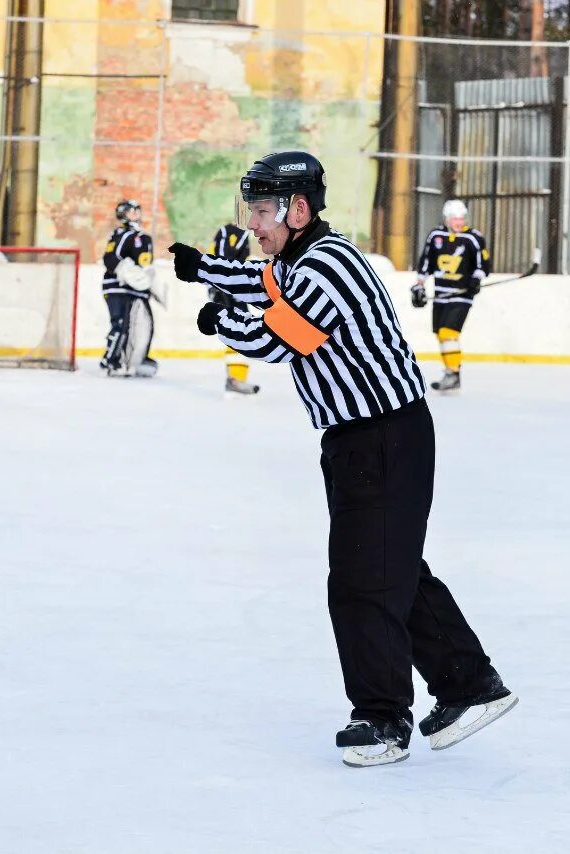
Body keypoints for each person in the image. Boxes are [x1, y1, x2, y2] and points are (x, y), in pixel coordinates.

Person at [168, 151, 515, 768]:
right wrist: (206, 271)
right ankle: (468, 685)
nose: (255, 224)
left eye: (263, 211)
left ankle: (382, 719)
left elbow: (281, 337)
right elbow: (264, 283)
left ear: (299, 210)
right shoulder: (300, 261)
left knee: (363, 580)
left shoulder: (326, 266)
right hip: (369, 438)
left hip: (380, 437)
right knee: (392, 569)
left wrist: (220, 318)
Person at [410, 199, 490, 394]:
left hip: (462, 295)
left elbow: (483, 265)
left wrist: (476, 279)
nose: (459, 222)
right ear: (446, 219)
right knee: (440, 333)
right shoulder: (436, 235)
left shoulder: (473, 237)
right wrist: (419, 285)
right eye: (455, 218)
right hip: (441, 294)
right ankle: (451, 372)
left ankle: (453, 374)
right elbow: (426, 263)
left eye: (462, 218)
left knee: (448, 332)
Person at [100, 200, 158, 377]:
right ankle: (111, 360)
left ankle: (135, 359)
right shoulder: (121, 235)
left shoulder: (144, 237)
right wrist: (126, 270)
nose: (135, 214)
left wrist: (147, 281)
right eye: (130, 211)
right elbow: (110, 259)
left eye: (137, 211)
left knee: (144, 325)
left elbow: (145, 265)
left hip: (137, 290)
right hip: (118, 287)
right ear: (122, 214)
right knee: (120, 324)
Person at [211, 222, 260, 396]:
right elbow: (220, 261)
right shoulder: (227, 231)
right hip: (227, 290)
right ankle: (234, 380)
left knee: (242, 331)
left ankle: (236, 378)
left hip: (236, 289)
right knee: (237, 331)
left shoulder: (245, 233)